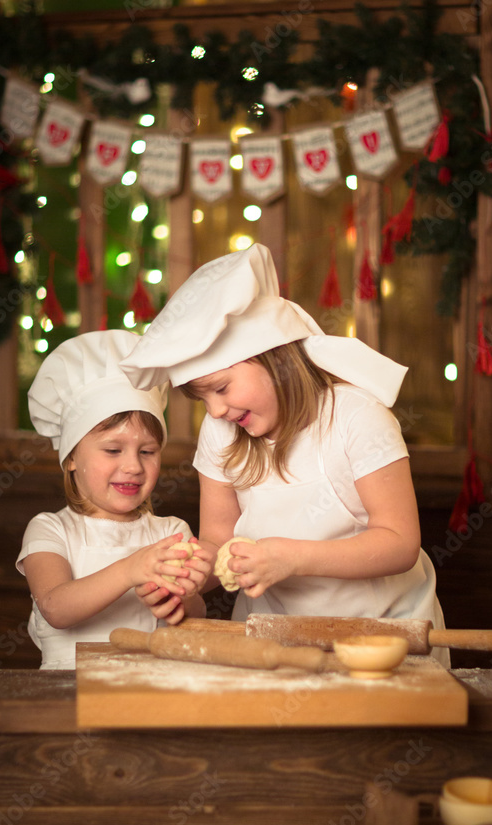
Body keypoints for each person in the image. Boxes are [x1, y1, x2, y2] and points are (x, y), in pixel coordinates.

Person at [120, 244, 449, 666]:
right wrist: (189, 579)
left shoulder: (356, 417)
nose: (216, 410)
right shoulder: (221, 432)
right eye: (203, 399)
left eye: (221, 388)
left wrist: (292, 559)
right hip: (274, 637)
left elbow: (400, 544)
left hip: (383, 633)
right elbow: (220, 540)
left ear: (277, 360)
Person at [17, 329, 210, 669]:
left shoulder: (171, 533)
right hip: (63, 698)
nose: (133, 466)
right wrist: (130, 570)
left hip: (148, 696)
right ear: (72, 457)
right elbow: (55, 607)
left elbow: (196, 619)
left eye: (148, 451)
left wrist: (182, 600)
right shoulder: (50, 530)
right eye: (112, 449)